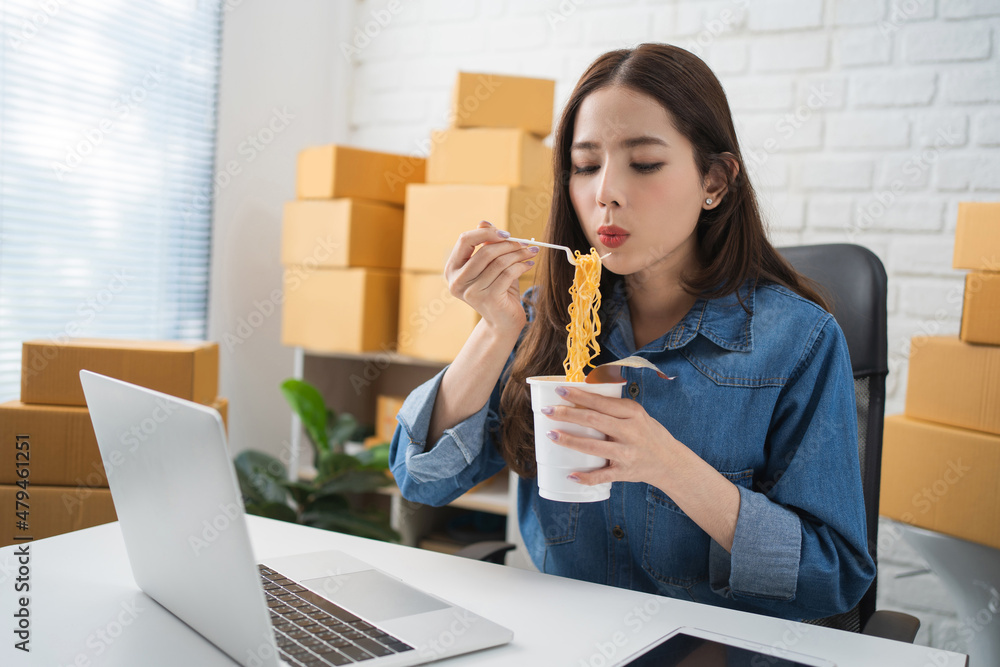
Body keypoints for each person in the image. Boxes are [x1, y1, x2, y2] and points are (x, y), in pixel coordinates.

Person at [388, 43, 876, 621]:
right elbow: (419, 480)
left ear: (715, 181)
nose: (605, 193)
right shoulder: (546, 317)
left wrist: (668, 464)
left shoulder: (799, 341)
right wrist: (494, 331)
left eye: (643, 164)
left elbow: (834, 578)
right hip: (569, 642)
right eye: (586, 165)